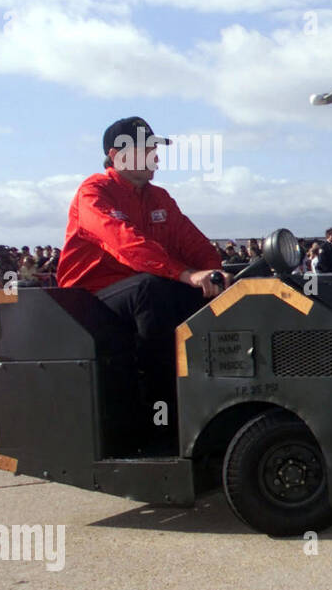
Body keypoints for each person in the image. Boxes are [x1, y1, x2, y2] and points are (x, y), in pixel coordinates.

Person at [58, 116, 226, 450]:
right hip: (87, 303)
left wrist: (212, 272)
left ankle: (210, 403)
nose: (156, 158)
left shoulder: (158, 197)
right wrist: (186, 274)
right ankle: (158, 415)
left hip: (142, 292)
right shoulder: (93, 192)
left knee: (177, 291)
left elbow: (195, 243)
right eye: (147, 150)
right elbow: (124, 242)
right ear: (116, 154)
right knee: (153, 289)